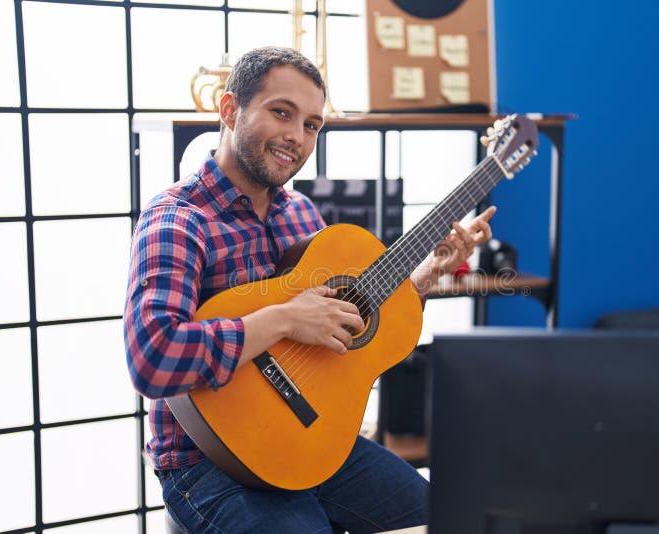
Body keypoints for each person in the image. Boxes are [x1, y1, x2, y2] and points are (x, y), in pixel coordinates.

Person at [124, 46, 495, 533]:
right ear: (230, 110)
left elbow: (341, 321)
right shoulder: (177, 221)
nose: (296, 137)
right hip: (209, 463)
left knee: (446, 518)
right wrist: (282, 318)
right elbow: (152, 358)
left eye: (312, 125)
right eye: (282, 113)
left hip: (314, 442)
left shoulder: (301, 214)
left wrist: (426, 275)